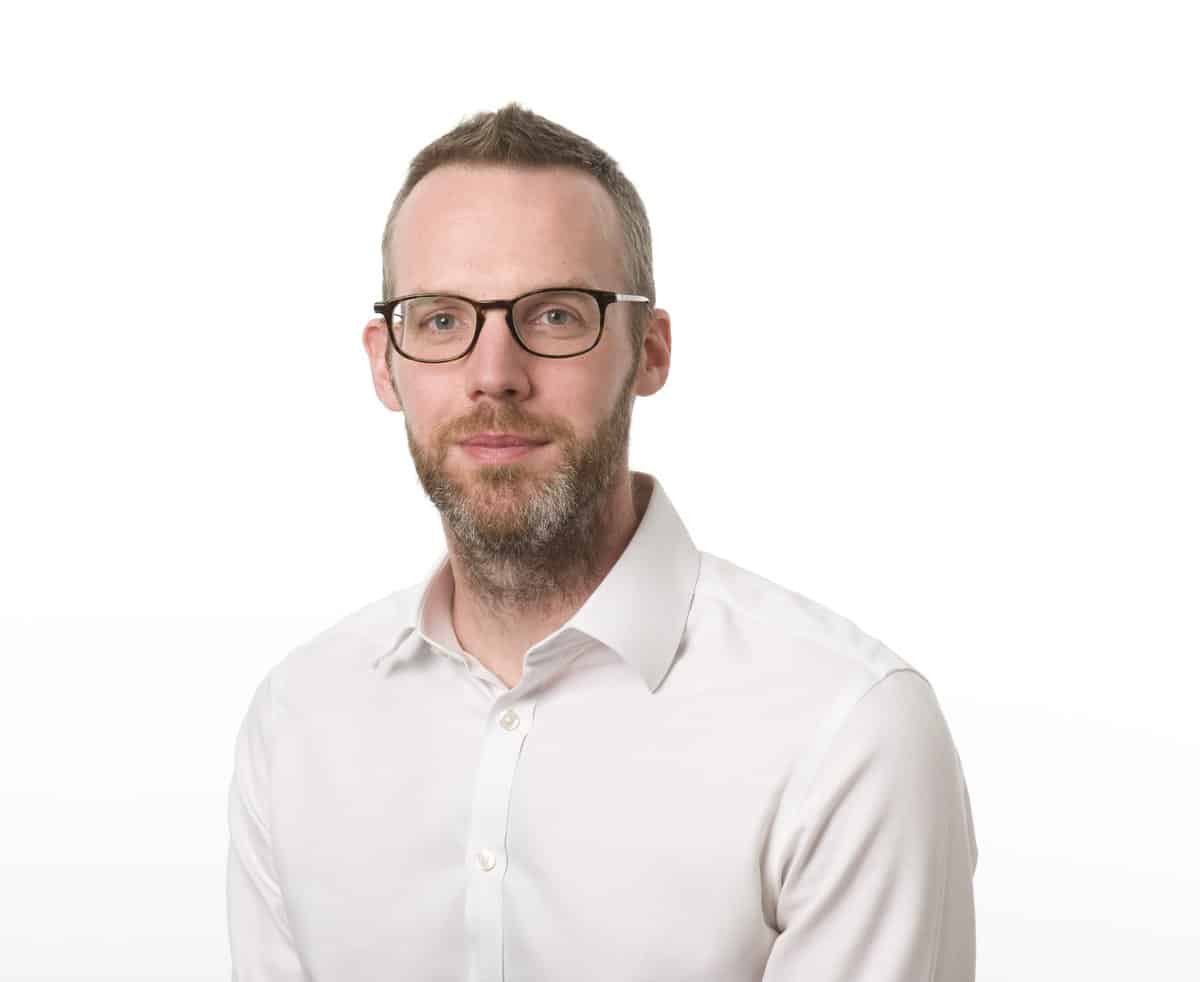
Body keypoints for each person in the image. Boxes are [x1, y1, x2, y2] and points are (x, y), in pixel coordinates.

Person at [225, 103, 978, 981]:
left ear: (649, 351)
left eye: (554, 315)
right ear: (383, 363)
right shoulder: (298, 720)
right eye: (440, 320)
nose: (494, 376)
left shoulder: (846, 731)